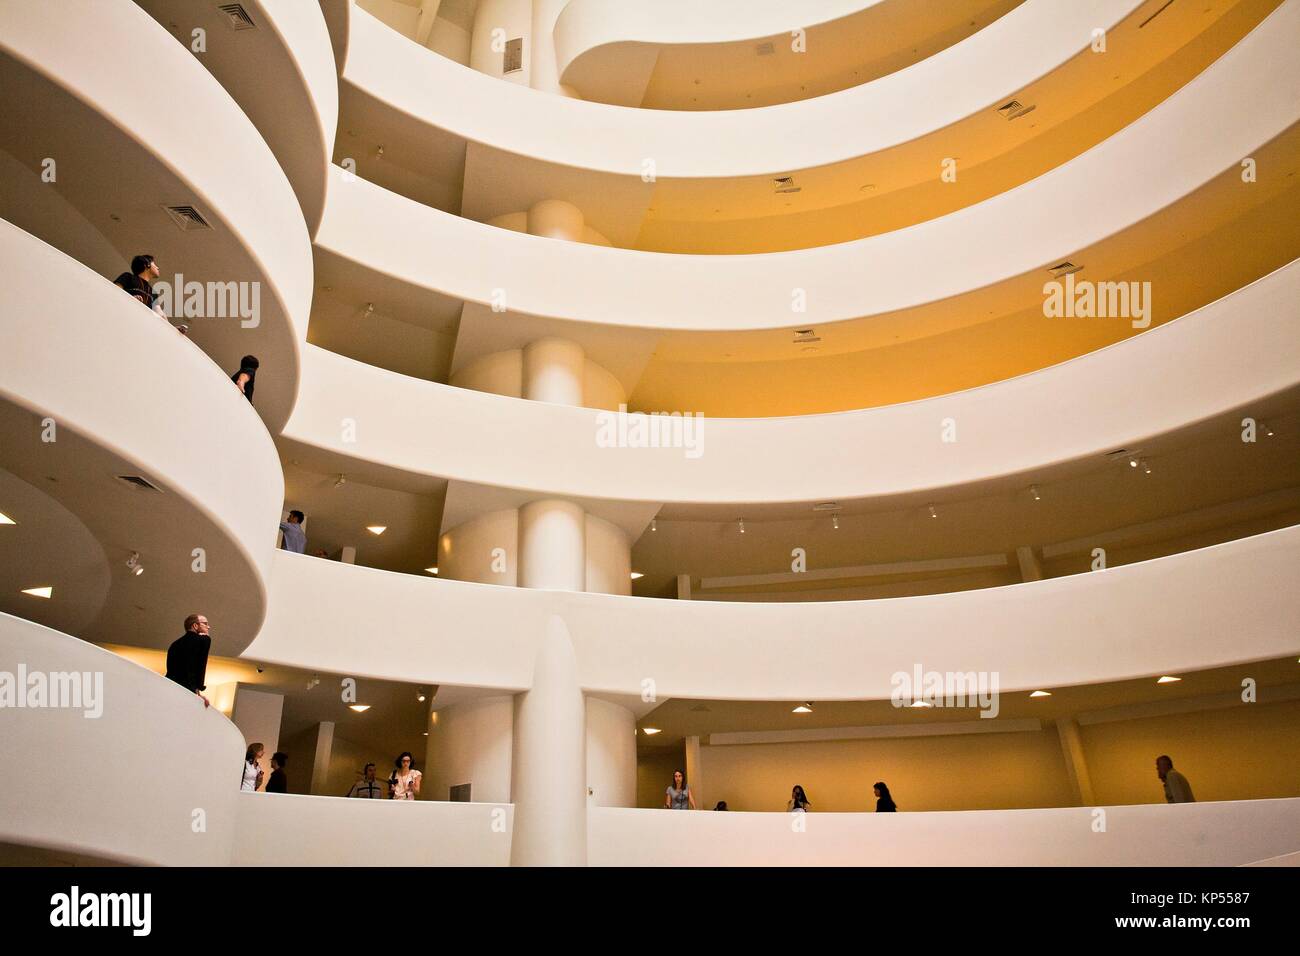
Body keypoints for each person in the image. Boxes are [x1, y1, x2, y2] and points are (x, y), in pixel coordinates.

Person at [164, 614, 211, 707]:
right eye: (205, 624)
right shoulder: (203, 640)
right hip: (187, 689)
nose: (208, 626)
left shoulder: (175, 644)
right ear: (195, 626)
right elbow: (200, 667)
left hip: (169, 685)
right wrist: (198, 689)